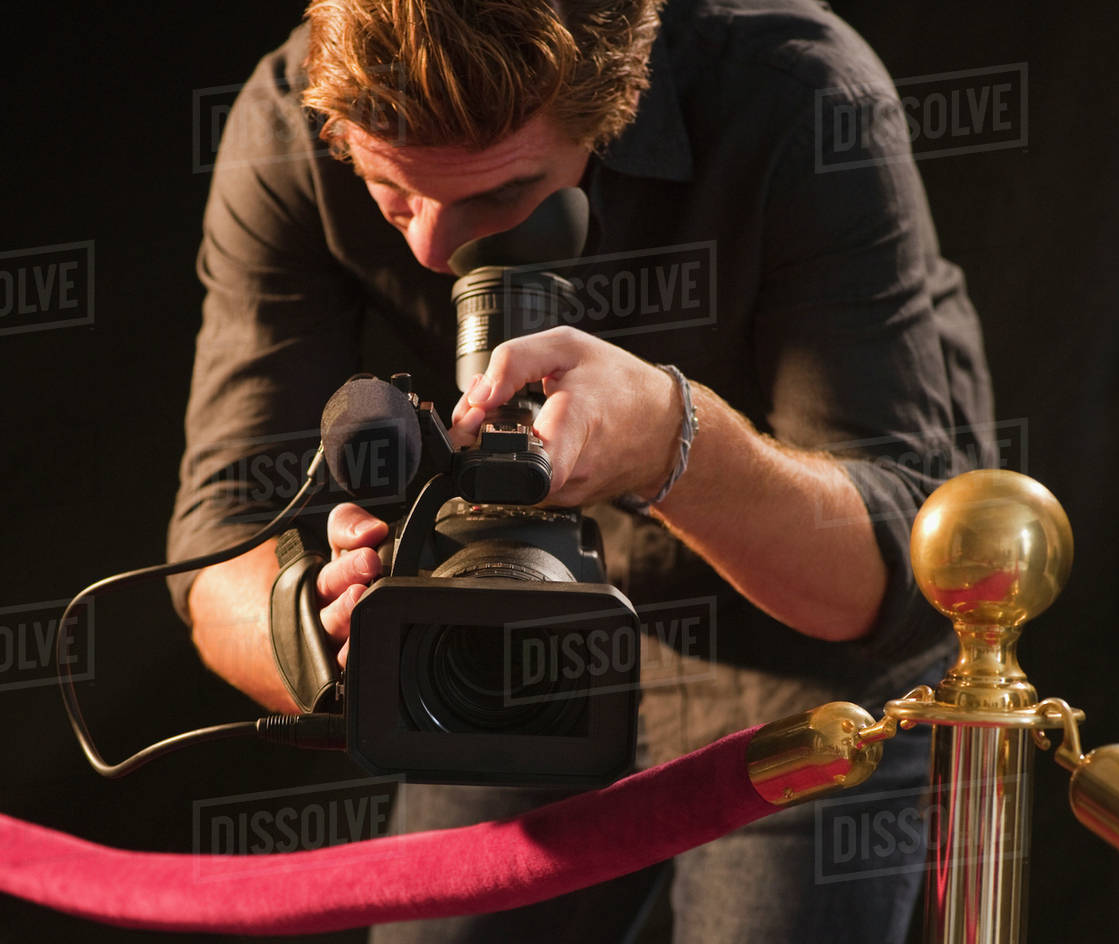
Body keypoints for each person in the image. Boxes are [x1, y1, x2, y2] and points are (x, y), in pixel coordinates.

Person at [167, 0, 996, 940]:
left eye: (496, 194)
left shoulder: (797, 94)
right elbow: (220, 532)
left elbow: (879, 591)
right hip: (495, 625)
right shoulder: (284, 121)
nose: (430, 248)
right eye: (390, 190)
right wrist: (316, 637)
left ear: (613, 111)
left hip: (796, 630)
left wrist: (668, 440)